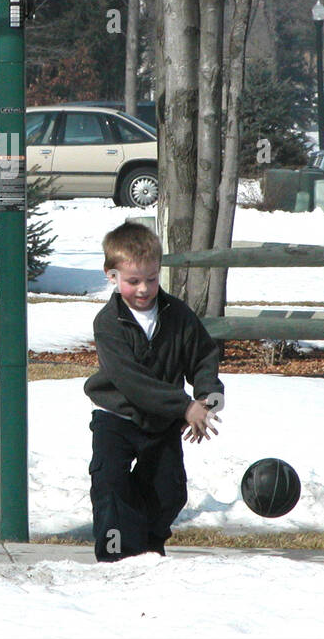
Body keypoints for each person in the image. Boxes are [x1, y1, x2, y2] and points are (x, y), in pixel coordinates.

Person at [85, 220, 224, 562]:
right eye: (133, 281)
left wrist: (207, 398)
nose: (144, 289)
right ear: (112, 276)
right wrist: (183, 406)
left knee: (169, 492)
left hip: (161, 422)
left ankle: (149, 549)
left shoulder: (177, 314)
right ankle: (114, 556)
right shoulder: (108, 323)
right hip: (117, 418)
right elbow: (131, 380)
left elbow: (203, 356)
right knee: (112, 488)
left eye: (151, 278)